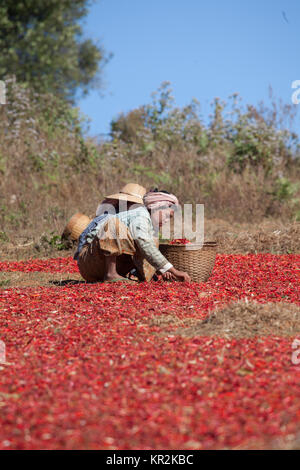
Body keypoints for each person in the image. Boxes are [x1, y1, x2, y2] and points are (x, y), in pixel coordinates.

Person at [74, 183, 191, 283]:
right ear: (157, 207)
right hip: (90, 262)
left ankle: (139, 276)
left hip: (104, 265)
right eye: (167, 216)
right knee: (115, 226)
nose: (166, 221)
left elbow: (146, 248)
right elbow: (144, 244)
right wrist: (173, 270)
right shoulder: (140, 214)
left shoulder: (146, 223)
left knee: (151, 240)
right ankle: (111, 273)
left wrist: (163, 271)